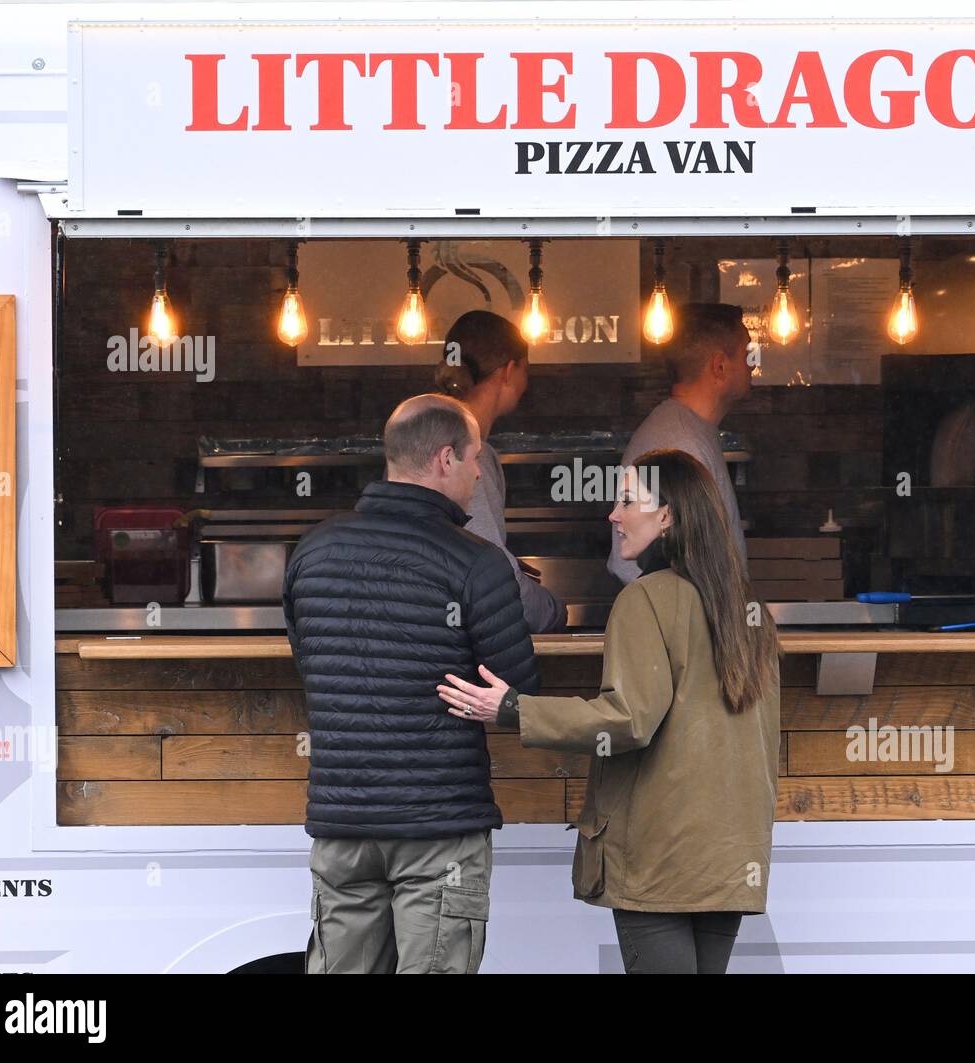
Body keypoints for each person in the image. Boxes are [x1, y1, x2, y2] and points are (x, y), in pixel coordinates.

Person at [438, 448, 781, 974]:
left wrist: (513, 710)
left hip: (660, 859)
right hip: (731, 857)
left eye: (626, 501)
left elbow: (627, 721)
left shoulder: (647, 599)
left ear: (667, 515)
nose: (613, 515)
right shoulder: (745, 607)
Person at [283, 393, 539, 974]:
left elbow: (313, 666)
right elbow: (518, 694)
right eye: (475, 459)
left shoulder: (312, 551)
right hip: (439, 829)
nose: (479, 473)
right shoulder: (475, 562)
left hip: (343, 824)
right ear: (446, 458)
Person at [437, 310, 567, 633]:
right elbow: (494, 583)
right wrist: (555, 611)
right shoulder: (468, 452)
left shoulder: (427, 437)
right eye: (526, 368)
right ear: (509, 371)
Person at [607, 302, 753, 584]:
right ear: (720, 365)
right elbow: (629, 563)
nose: (754, 364)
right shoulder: (680, 443)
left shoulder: (692, 432)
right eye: (747, 353)